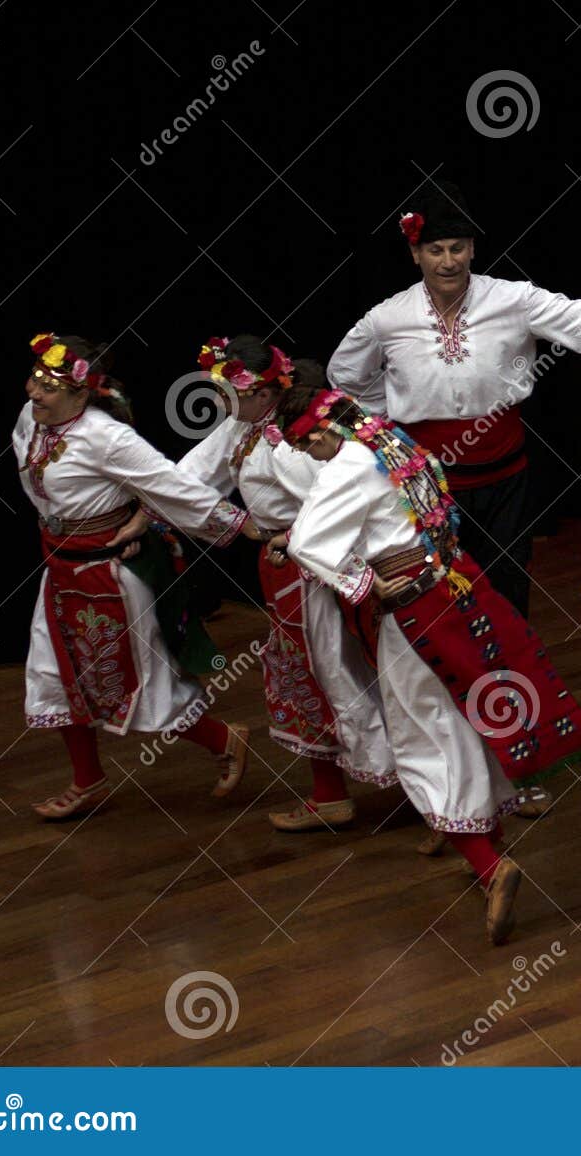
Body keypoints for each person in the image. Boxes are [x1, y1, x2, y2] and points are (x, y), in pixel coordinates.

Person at [329, 182, 581, 818]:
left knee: (504, 612)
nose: (448, 260)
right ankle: (451, 769)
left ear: (473, 249)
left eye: (458, 247)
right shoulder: (387, 318)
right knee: (437, 618)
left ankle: (519, 762)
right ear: (415, 255)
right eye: (436, 249)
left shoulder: (513, 299)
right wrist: (398, 428)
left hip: (506, 484)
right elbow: (345, 379)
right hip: (426, 493)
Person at [273, 375, 581, 945]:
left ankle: (489, 865)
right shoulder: (395, 444)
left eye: (306, 447)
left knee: (422, 734)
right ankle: (487, 838)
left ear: (321, 432)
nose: (310, 457)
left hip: (412, 611)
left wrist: (363, 584)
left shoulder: (346, 466)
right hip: (455, 586)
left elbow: (308, 545)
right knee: (471, 713)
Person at [17, 332, 253, 820]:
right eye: (35, 379)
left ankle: (223, 739)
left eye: (49, 386)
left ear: (81, 393)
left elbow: (172, 484)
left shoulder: (108, 437)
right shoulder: (31, 419)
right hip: (60, 571)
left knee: (139, 681)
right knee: (52, 673)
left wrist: (242, 526)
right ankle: (88, 779)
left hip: (111, 576)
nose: (34, 392)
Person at [177, 337, 397, 831]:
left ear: (263, 392)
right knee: (309, 675)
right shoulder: (243, 427)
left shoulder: (292, 440)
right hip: (287, 570)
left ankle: (428, 793)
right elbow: (185, 480)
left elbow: (340, 504)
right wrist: (232, 523)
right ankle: (333, 794)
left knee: (337, 673)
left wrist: (284, 535)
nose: (217, 401)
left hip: (317, 569)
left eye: (227, 392)